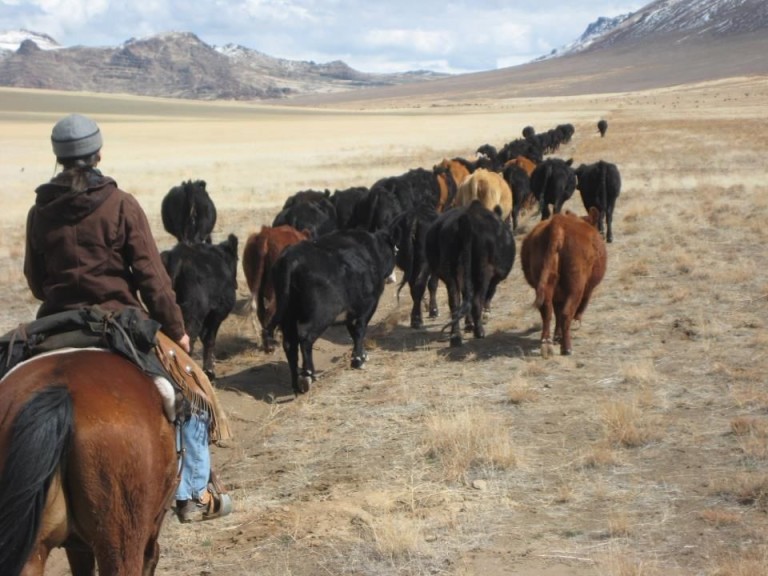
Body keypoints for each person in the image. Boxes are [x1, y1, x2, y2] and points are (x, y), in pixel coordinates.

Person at [23, 113, 232, 523]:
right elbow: (153, 279)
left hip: (54, 322)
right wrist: (177, 332)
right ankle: (194, 493)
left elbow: (36, 282)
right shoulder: (121, 204)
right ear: (98, 153)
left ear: (58, 157)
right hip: (120, 322)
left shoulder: (38, 212)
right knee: (192, 395)